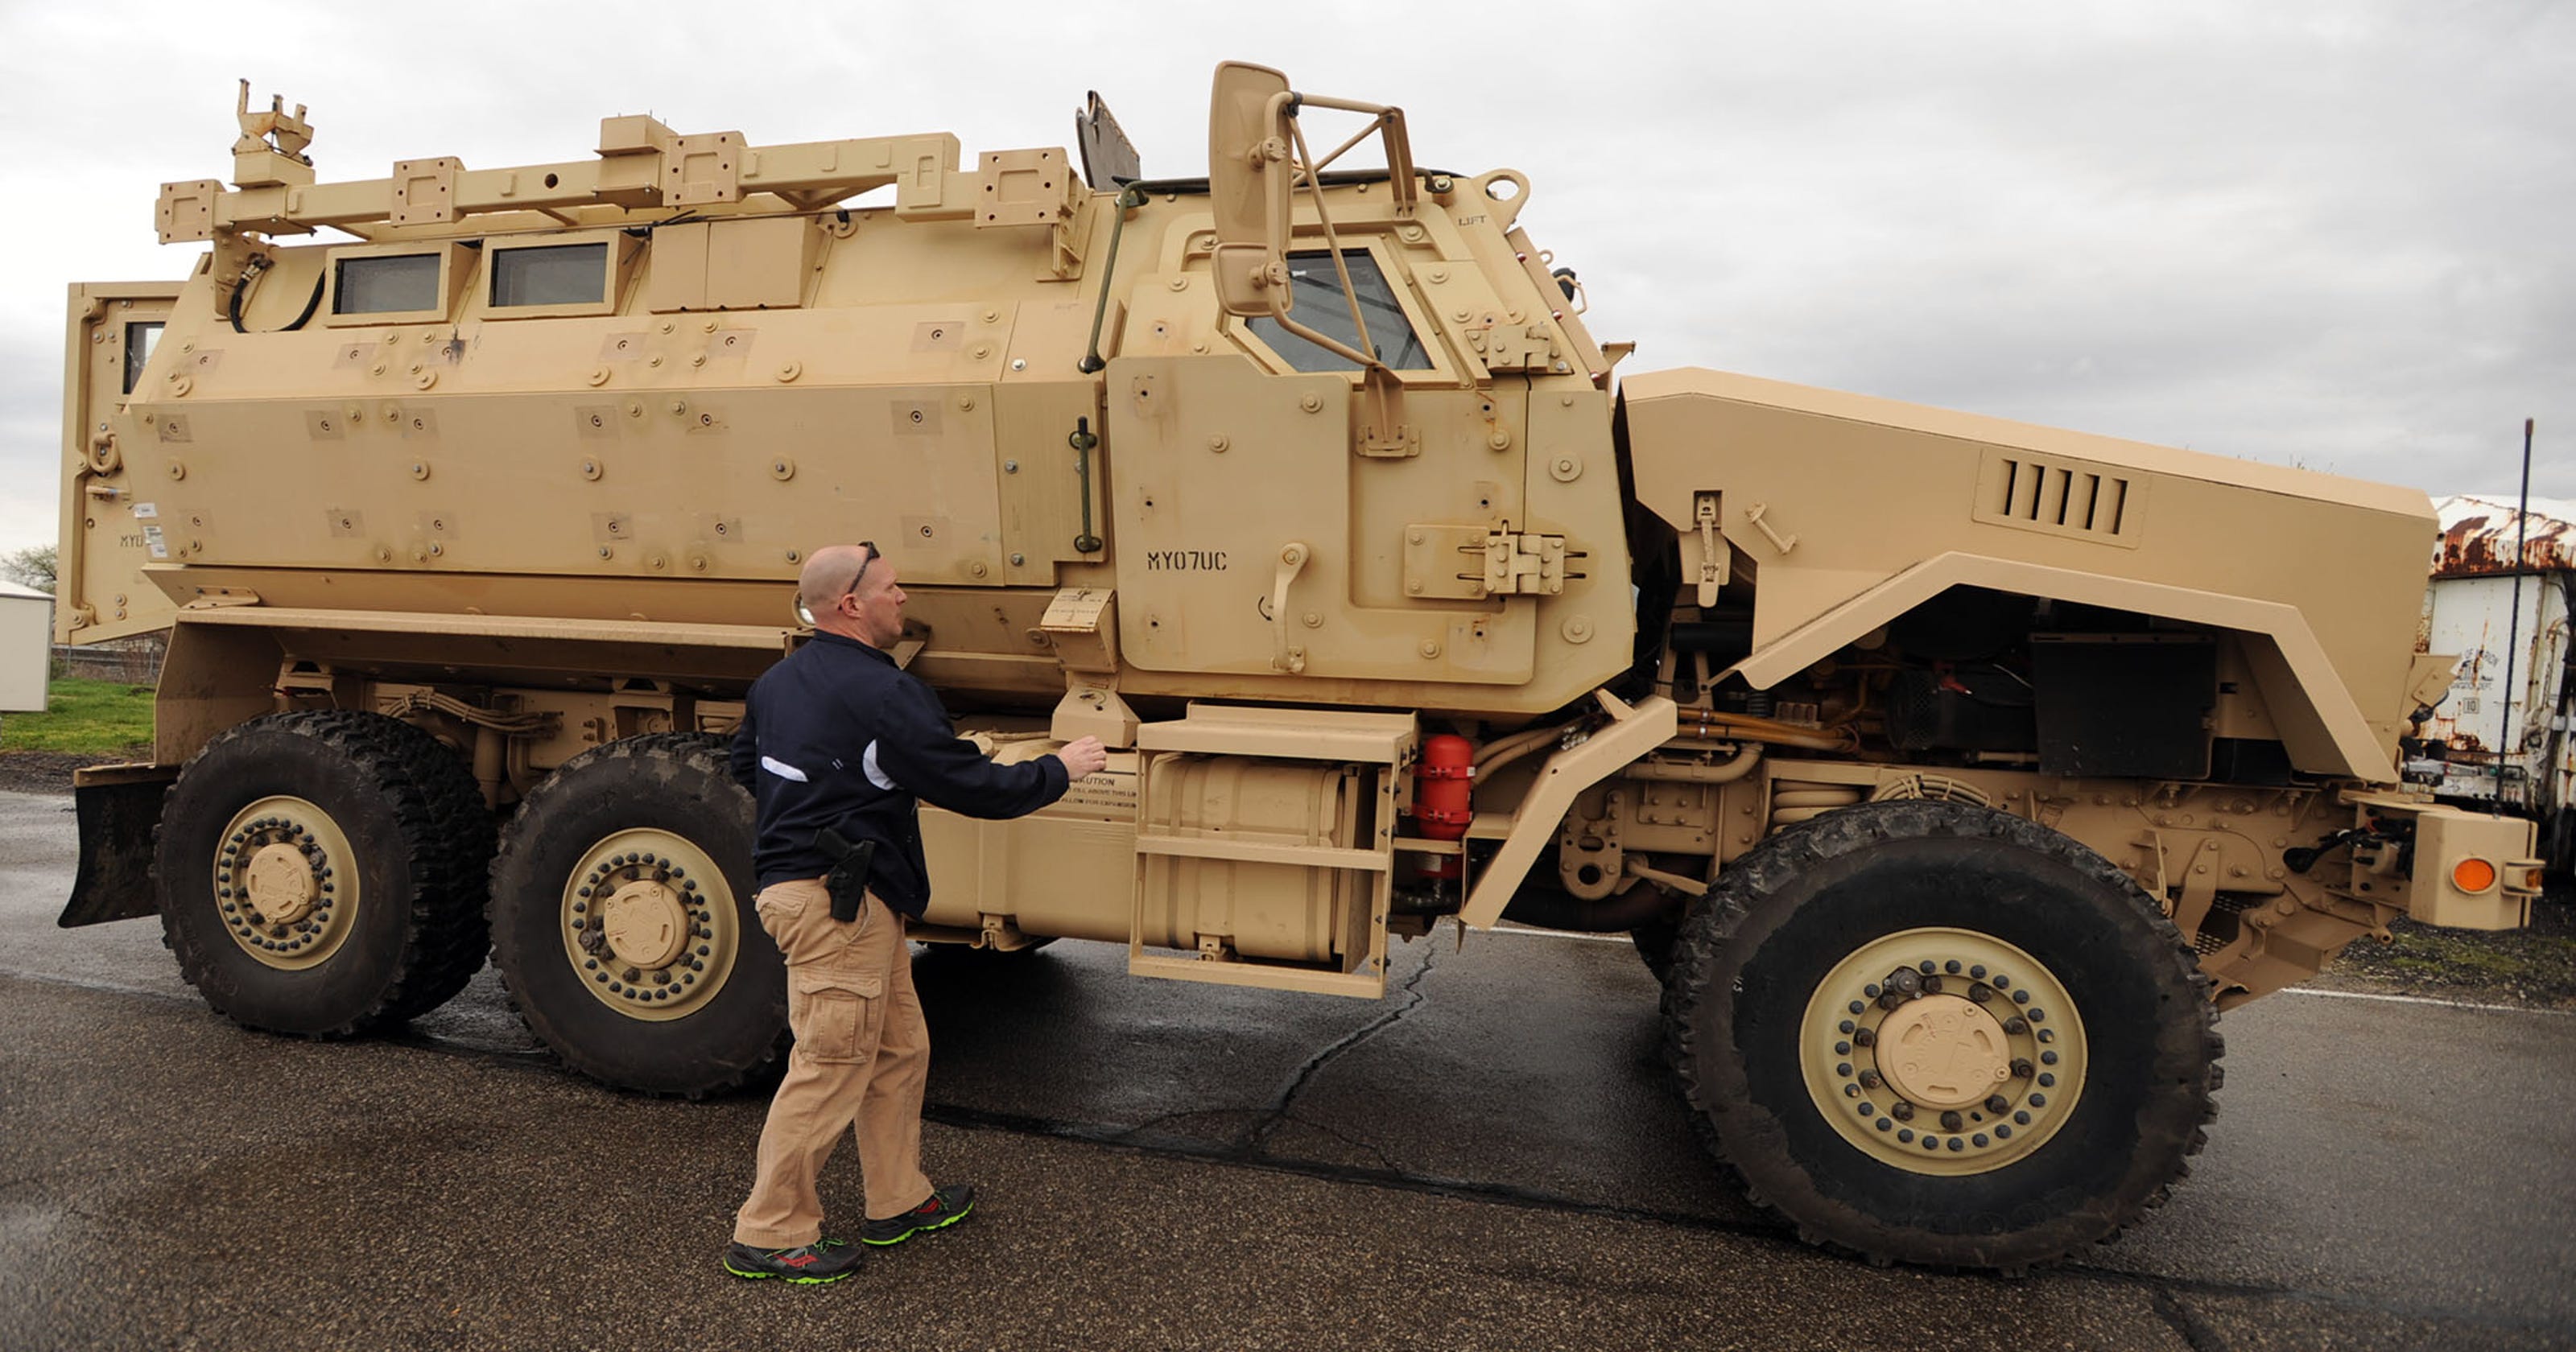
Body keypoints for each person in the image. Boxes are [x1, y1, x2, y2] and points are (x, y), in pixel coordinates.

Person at [721, 540, 1108, 1284]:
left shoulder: (779, 682)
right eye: (891, 589)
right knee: (830, 1065)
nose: (904, 599)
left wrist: (830, 795)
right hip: (837, 905)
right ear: (850, 604)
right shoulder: (887, 693)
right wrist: (1063, 767)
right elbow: (978, 789)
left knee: (899, 1050)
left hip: (848, 898)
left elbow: (749, 766)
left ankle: (896, 1199)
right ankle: (770, 1232)